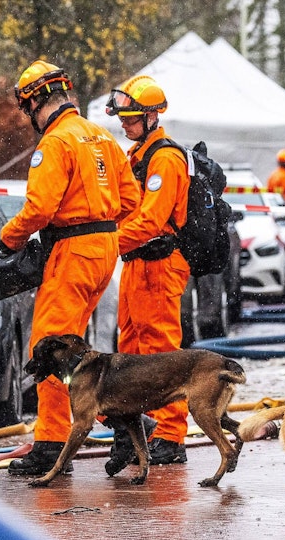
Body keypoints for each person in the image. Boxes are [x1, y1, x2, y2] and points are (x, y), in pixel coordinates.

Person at [0, 59, 141, 476]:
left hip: (72, 252)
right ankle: (123, 417)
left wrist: (8, 240)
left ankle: (50, 445)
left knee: (46, 349)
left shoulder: (57, 142)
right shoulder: (102, 137)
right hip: (104, 249)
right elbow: (130, 200)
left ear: (35, 102)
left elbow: (39, 208)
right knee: (76, 352)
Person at [101, 74, 191, 473]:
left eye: (132, 118)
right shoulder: (140, 155)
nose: (126, 124)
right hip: (138, 264)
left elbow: (153, 219)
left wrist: (107, 243)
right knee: (132, 350)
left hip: (159, 263)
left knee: (161, 352)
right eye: (123, 118)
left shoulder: (165, 159)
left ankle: (170, 435)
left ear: (153, 116)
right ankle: (143, 429)